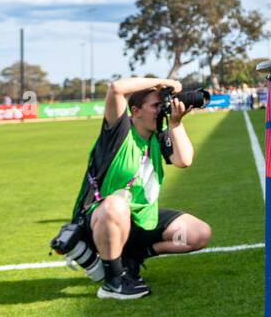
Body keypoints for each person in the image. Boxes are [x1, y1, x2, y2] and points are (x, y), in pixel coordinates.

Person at [81, 77, 210, 299]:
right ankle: (113, 281)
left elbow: (184, 160)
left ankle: (135, 255)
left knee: (198, 234)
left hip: (141, 221)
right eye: (156, 106)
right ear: (136, 111)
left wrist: (176, 124)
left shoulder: (158, 135)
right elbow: (116, 89)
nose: (161, 111)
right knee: (116, 205)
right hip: (103, 221)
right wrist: (164, 82)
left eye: (163, 106)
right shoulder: (118, 132)